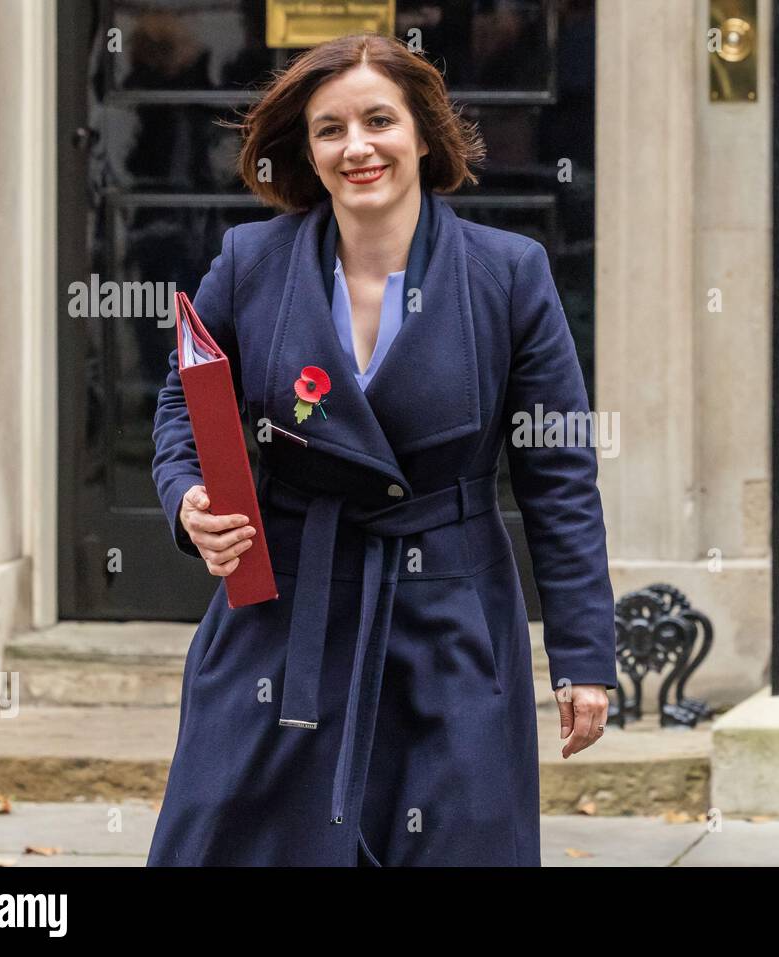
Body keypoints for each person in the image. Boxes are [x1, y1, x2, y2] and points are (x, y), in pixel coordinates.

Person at [146, 33, 616, 866]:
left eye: (378, 120)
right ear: (308, 150)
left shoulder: (509, 274)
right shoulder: (250, 262)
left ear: (424, 135)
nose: (357, 147)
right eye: (330, 129)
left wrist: (583, 653)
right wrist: (188, 497)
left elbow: (559, 475)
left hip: (451, 617)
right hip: (281, 613)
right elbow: (185, 399)